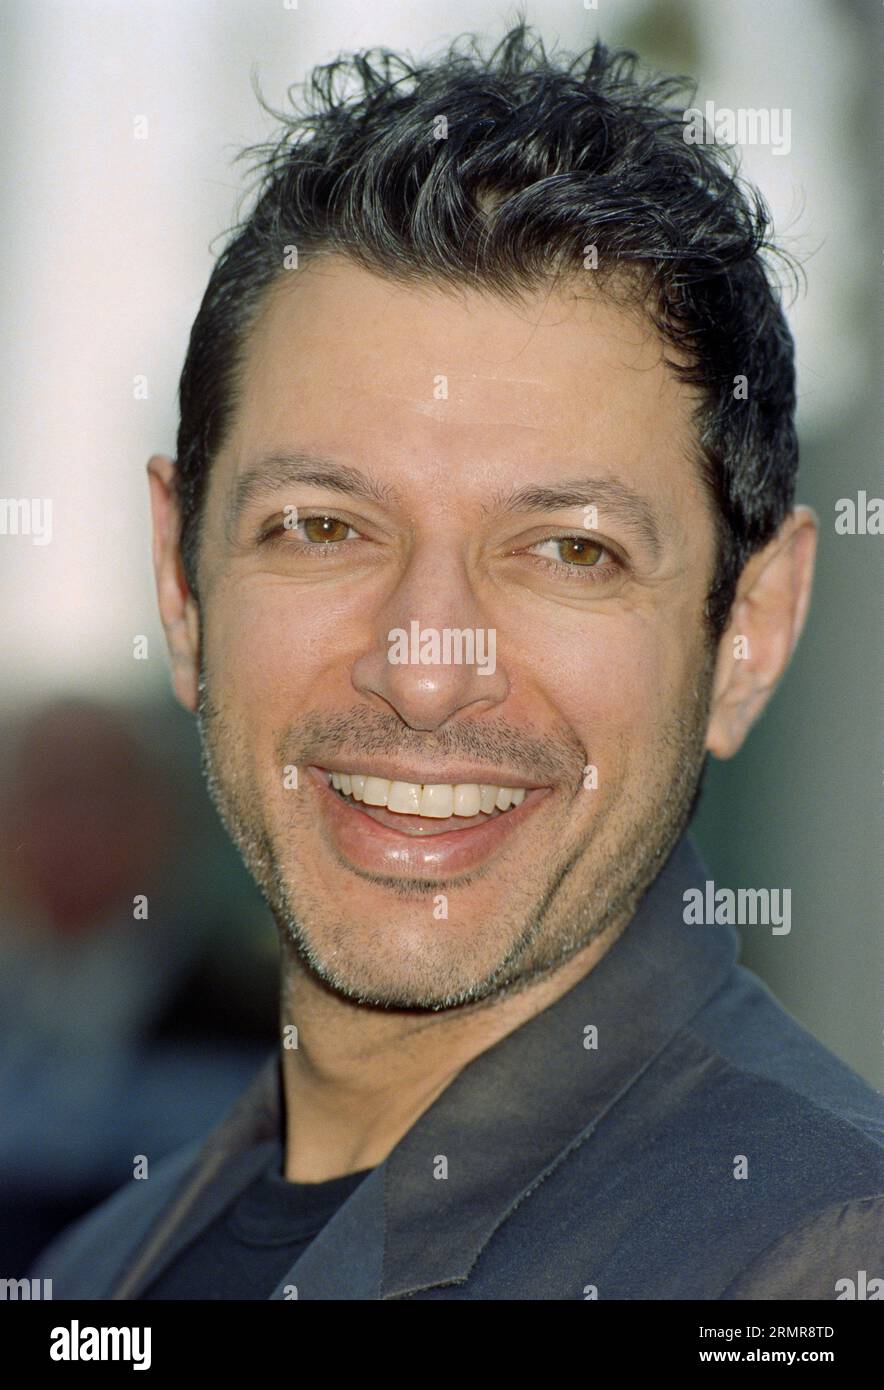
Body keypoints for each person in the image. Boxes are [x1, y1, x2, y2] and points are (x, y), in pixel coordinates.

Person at [30, 23, 883, 1300]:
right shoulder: (98, 1273)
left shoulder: (808, 1264)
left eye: (568, 551)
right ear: (181, 581)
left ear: (747, 631)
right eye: (322, 526)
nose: (424, 672)